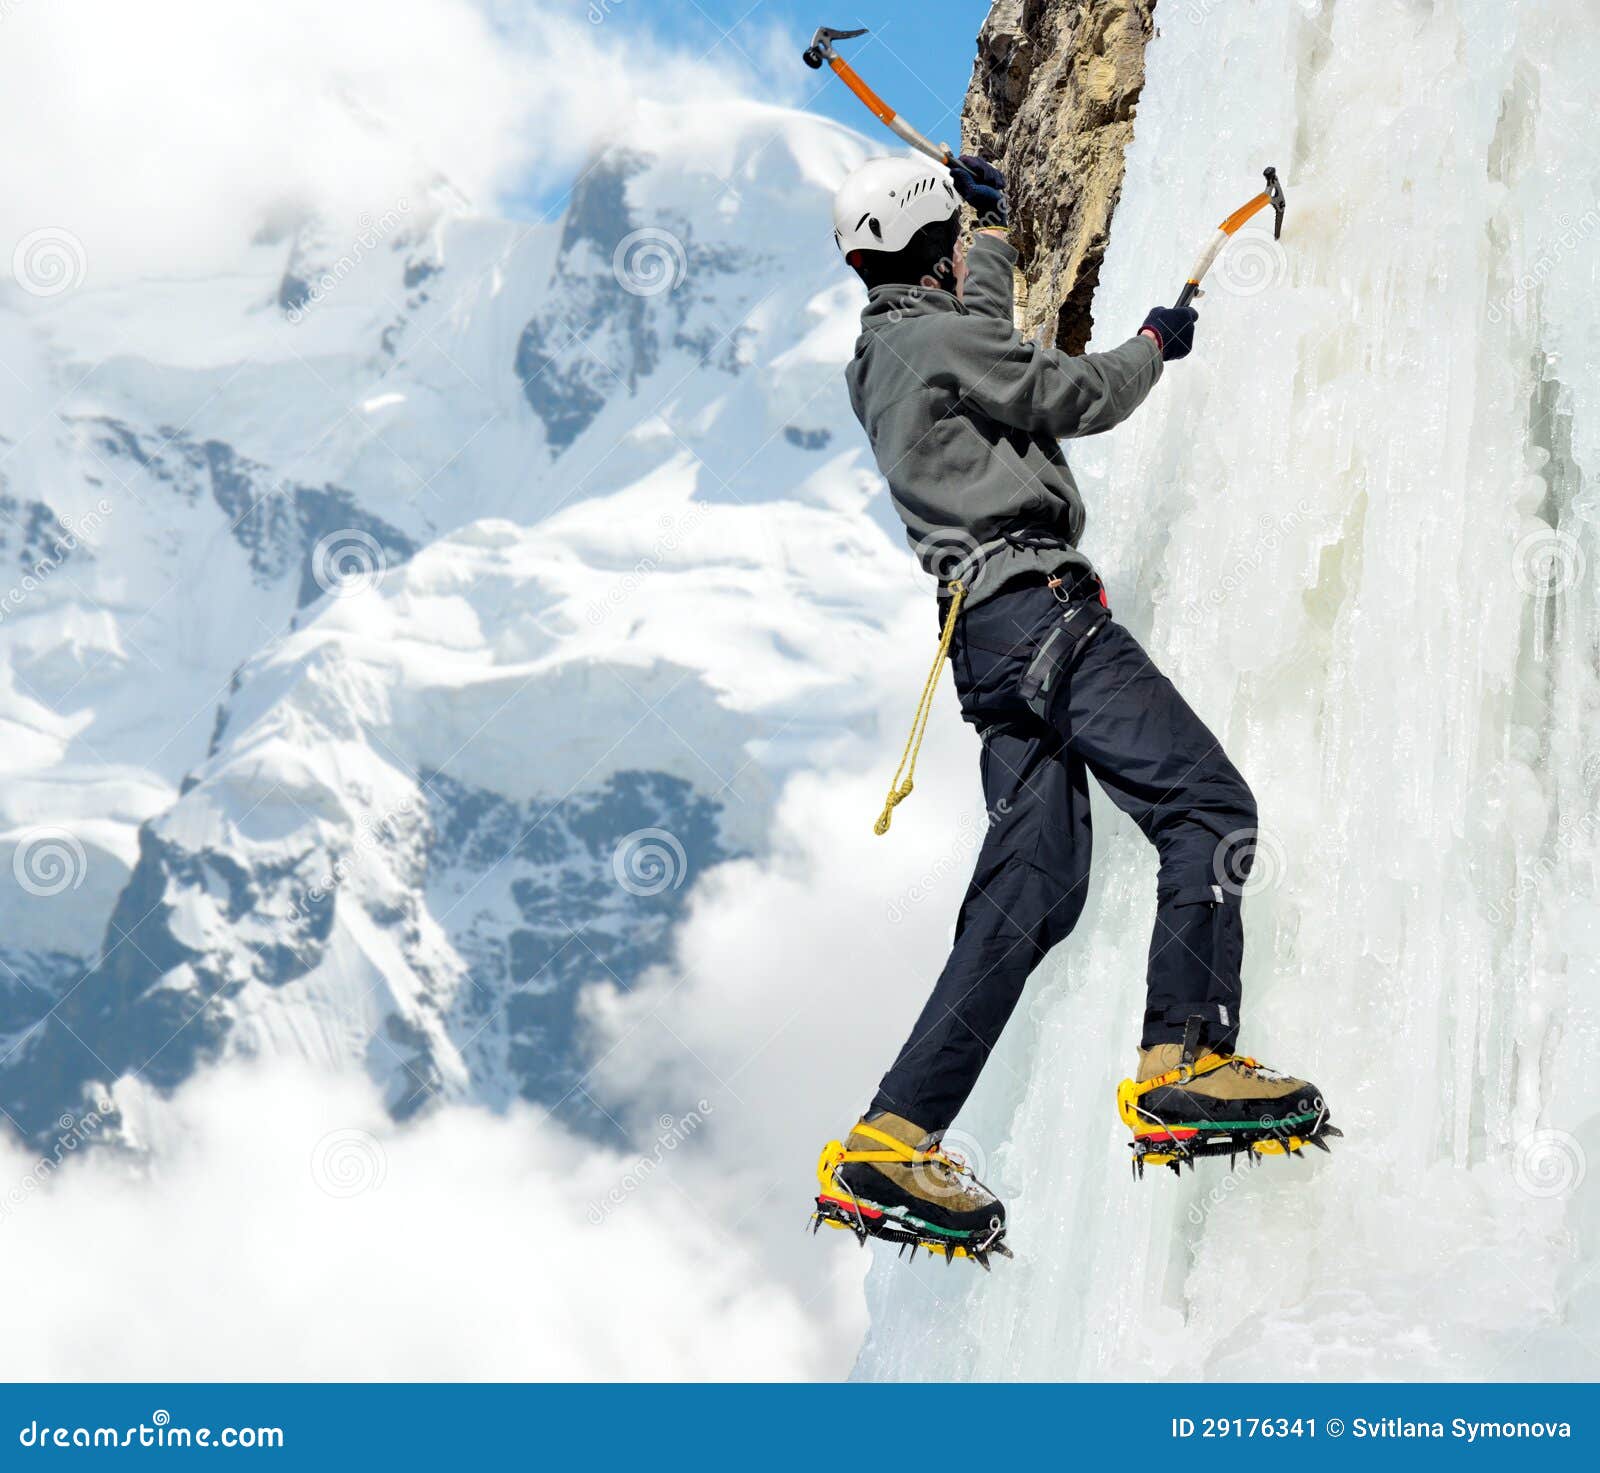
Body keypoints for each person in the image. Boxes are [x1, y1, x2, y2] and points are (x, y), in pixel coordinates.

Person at [815, 155, 1335, 1259]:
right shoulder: (941, 340)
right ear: (927, 248)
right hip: (1044, 611)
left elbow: (979, 341)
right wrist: (1156, 342)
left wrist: (992, 231)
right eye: (954, 240)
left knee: (1031, 890)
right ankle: (1185, 1059)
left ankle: (893, 1132)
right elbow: (1068, 394)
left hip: (984, 646)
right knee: (1206, 805)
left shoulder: (886, 353)